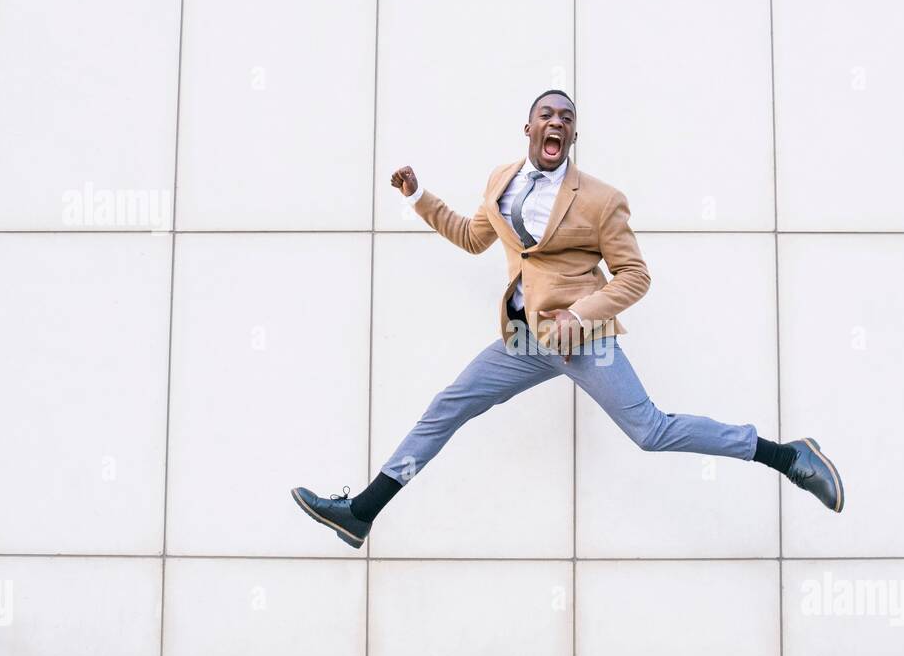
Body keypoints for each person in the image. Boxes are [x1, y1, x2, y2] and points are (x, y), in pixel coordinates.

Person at [292, 90, 842, 548]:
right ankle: (362, 512)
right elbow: (472, 237)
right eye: (547, 115)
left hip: (585, 341)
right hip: (524, 340)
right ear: (528, 127)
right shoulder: (500, 181)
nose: (557, 122)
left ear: (573, 137)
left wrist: (579, 316)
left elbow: (635, 276)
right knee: (447, 407)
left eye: (567, 118)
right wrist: (419, 198)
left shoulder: (601, 199)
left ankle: (787, 455)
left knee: (650, 431)